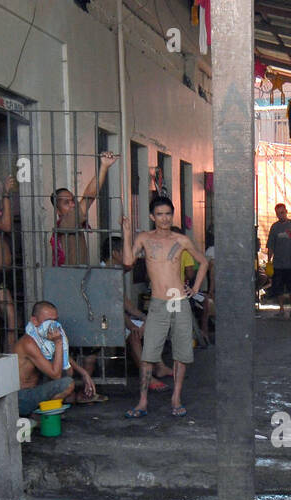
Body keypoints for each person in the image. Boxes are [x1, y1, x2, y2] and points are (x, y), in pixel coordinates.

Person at [124, 195, 208, 418]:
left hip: (179, 301)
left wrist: (196, 288)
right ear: (152, 217)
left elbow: (204, 262)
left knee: (181, 353)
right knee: (148, 354)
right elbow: (127, 262)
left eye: (168, 214)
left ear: (172, 215)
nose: (164, 218)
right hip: (159, 303)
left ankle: (176, 398)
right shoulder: (144, 238)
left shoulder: (180, 240)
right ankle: (142, 402)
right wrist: (126, 234)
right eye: (159, 214)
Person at [103, 235, 172, 394]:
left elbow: (124, 303)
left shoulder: (115, 272)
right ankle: (146, 376)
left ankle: (159, 367)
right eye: (125, 252)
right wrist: (132, 325)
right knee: (133, 334)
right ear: (115, 253)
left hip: (115, 318)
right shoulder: (105, 274)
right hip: (104, 321)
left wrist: (143, 317)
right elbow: (113, 309)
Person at [15, 301, 96, 415]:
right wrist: (58, 342)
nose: (53, 325)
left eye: (55, 320)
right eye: (48, 321)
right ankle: (39, 415)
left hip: (33, 389)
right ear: (35, 321)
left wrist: (83, 373)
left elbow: (63, 357)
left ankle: (40, 413)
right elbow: (55, 374)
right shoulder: (28, 342)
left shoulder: (40, 337)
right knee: (68, 384)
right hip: (21, 398)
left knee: (67, 372)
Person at [50, 151, 118, 267]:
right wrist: (104, 167)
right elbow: (89, 197)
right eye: (66, 203)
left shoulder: (73, 224)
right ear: (57, 210)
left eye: (73, 200)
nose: (72, 205)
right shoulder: (67, 223)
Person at [0, 173, 19, 349]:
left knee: (11, 318)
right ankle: (9, 359)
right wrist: (6, 195)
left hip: (4, 273)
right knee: (10, 316)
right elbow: (6, 225)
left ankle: (9, 357)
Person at [266, 203, 291, 318]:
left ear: (286, 211)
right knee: (278, 287)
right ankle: (281, 309)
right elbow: (270, 245)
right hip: (278, 263)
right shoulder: (274, 227)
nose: (280, 215)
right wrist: (269, 262)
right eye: (278, 213)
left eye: (282, 212)